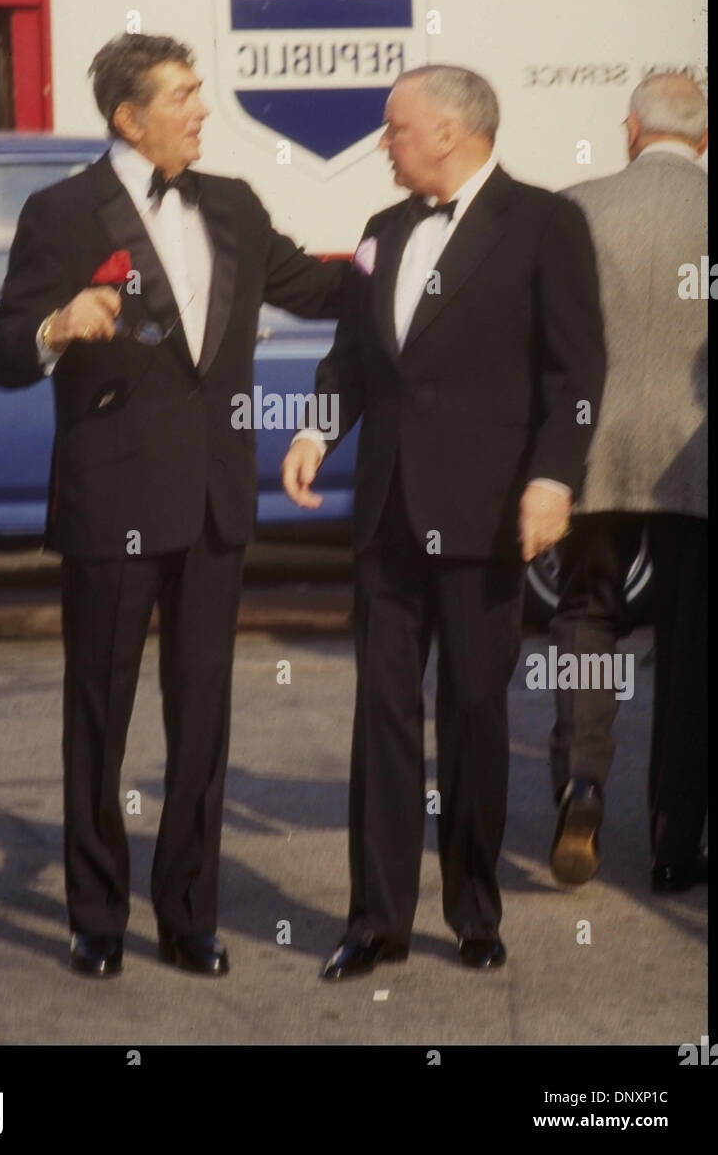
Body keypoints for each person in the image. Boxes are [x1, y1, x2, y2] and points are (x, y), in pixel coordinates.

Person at [0, 33, 345, 979]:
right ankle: (96, 916)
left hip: (215, 508)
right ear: (128, 117)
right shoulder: (61, 213)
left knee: (204, 719)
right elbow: (3, 350)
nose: (201, 109)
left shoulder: (231, 202)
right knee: (98, 718)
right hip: (113, 504)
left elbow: (315, 286)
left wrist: (423, 248)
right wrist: (58, 326)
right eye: (184, 95)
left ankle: (189, 915)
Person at [283, 65, 605, 976]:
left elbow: (575, 375)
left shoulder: (546, 223)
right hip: (386, 514)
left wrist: (554, 479)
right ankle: (374, 921)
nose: (382, 143)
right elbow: (352, 359)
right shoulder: (384, 231)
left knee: (472, 711)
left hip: (482, 517)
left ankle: (473, 911)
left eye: (394, 127)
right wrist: (317, 429)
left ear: (451, 133)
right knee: (380, 718)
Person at [547, 72, 708, 894]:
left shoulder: (573, 206)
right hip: (694, 461)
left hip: (591, 450)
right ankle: (675, 846)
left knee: (586, 615)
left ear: (631, 130)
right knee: (687, 648)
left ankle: (581, 779)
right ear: (704, 140)